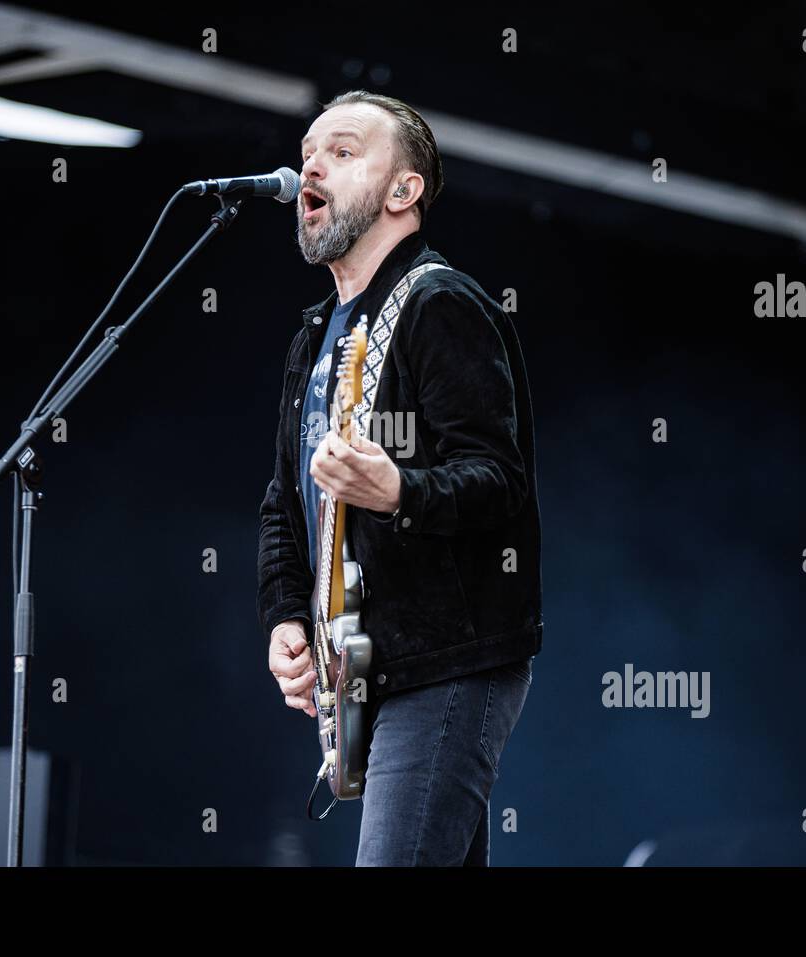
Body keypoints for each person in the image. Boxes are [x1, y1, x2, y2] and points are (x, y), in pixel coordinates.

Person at [257, 90, 542, 866]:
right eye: (309, 152)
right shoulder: (315, 337)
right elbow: (285, 501)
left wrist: (399, 492)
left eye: (343, 152)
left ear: (403, 190)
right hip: (370, 663)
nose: (312, 166)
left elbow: (498, 479)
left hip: (447, 659)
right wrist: (285, 614)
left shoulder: (438, 303)